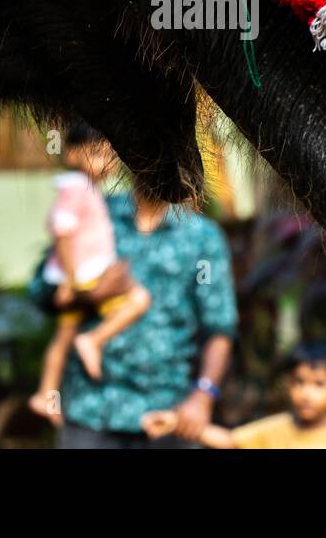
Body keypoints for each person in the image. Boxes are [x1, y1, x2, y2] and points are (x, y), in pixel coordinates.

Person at [28, 185, 238, 448]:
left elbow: (220, 327)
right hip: (91, 410)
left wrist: (204, 395)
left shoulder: (201, 237)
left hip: (166, 411)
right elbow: (42, 290)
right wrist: (89, 294)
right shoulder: (95, 213)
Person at [29, 124, 150, 423]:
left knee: (63, 336)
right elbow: (62, 230)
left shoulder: (86, 189)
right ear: (71, 154)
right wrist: (71, 280)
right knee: (139, 299)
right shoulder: (77, 189)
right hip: (85, 275)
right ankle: (93, 340)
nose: (105, 163)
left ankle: (45, 393)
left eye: (111, 156)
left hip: (83, 275)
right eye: (97, 154)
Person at [141, 342, 326, 449]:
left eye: (319, 385)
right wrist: (175, 422)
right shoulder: (276, 428)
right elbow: (231, 440)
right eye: (299, 383)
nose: (306, 393)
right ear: (287, 385)